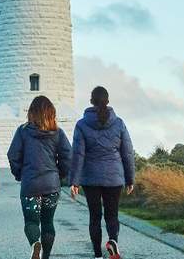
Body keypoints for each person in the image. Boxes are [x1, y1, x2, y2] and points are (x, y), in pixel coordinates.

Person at [69, 86, 135, 259]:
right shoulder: (119, 123)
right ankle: (113, 241)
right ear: (107, 100)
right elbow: (127, 152)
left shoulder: (82, 124)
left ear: (91, 101)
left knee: (94, 217)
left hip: (90, 178)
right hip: (114, 177)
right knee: (112, 215)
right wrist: (130, 179)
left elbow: (78, 154)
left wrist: (74, 181)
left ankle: (98, 254)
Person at [8, 96, 71, 259]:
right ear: (51, 113)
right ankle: (45, 256)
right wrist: (60, 175)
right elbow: (68, 157)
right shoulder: (58, 132)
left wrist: (19, 174)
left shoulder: (22, 131)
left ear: (31, 113)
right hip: (51, 185)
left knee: (31, 222)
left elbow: (13, 155)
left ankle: (35, 243)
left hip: (30, 185)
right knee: (48, 223)